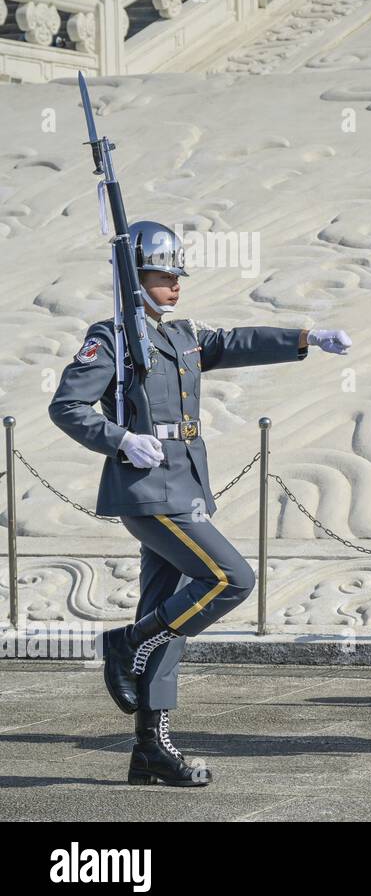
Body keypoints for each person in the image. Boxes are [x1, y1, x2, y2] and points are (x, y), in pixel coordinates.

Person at [48, 220, 353, 786]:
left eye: (177, 274)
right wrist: (119, 439)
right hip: (147, 492)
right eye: (163, 275)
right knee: (230, 580)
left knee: (166, 615)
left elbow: (234, 342)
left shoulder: (180, 333)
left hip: (184, 487)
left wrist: (306, 337)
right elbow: (68, 406)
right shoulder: (110, 337)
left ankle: (150, 748)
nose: (176, 284)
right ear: (133, 277)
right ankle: (124, 644)